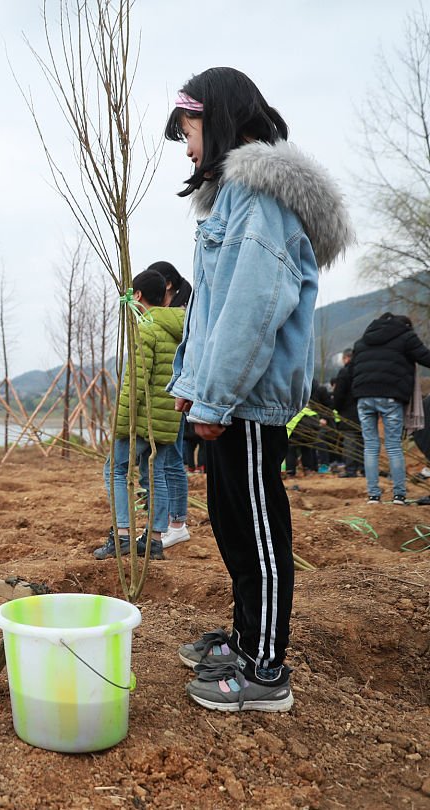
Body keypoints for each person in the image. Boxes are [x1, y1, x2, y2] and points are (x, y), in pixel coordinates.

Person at [165, 68, 352, 712]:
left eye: (187, 131)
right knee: (230, 520)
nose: (186, 148)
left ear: (215, 119)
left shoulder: (259, 199)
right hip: (228, 396)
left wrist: (216, 398)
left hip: (249, 399)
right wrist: (193, 385)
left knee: (257, 525)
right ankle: (247, 640)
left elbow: (250, 310)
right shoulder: (232, 197)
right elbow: (207, 310)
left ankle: (267, 668)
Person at [94, 269, 182, 561]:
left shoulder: (145, 328)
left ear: (139, 296)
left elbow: (136, 381)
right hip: (167, 417)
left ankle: (120, 536)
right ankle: (154, 540)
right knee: (154, 475)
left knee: (115, 470)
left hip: (142, 417)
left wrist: (121, 423)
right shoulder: (179, 329)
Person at [347, 313, 430, 504]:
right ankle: (399, 495)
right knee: (393, 446)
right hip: (390, 397)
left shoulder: (362, 341)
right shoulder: (406, 336)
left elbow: (351, 370)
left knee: (370, 447)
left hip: (364, 397)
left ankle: (373, 495)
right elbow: (425, 357)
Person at [141, 260, 191, 548]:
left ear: (168, 285)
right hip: (169, 396)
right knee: (167, 459)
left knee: (171, 459)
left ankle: (176, 523)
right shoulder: (177, 313)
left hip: (173, 396)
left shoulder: (178, 315)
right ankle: (171, 522)